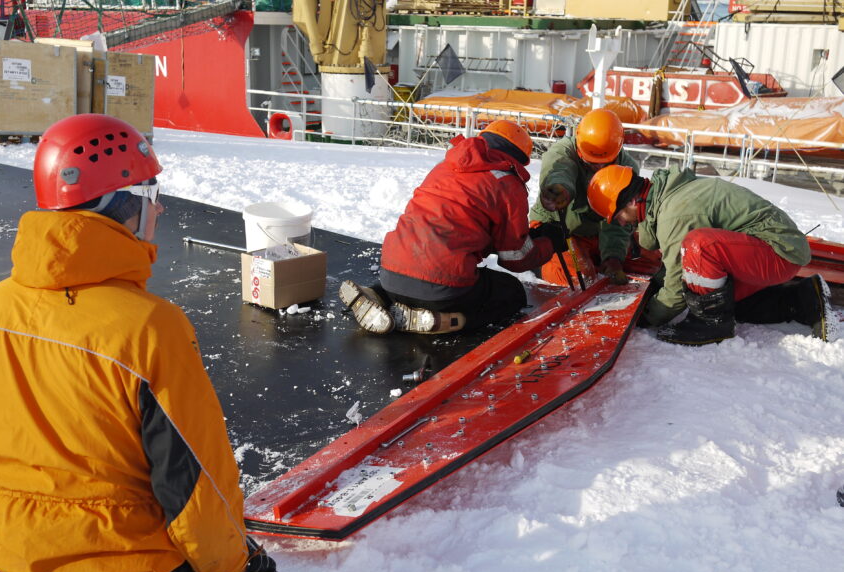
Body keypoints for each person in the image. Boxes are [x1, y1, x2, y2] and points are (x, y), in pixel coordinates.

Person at [0, 114, 305, 572]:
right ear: (121, 206)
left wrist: (30, 516)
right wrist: (238, 563)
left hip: (23, 569)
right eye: (152, 198)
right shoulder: (150, 327)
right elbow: (194, 484)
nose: (158, 213)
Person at [340, 120, 566, 335]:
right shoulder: (507, 183)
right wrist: (548, 242)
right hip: (445, 287)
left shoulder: (445, 166)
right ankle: (440, 322)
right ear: (519, 158)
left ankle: (376, 294)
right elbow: (516, 258)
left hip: (391, 272)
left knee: (416, 275)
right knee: (511, 293)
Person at [587, 163, 832, 345]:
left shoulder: (675, 212)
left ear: (630, 202)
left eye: (617, 217)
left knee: (698, 245)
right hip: (768, 251)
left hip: (777, 252)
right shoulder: (671, 197)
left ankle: (710, 325)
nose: (620, 224)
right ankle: (803, 299)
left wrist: (646, 317)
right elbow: (671, 268)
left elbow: (677, 277)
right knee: (727, 302)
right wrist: (652, 290)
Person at [528, 108, 642, 287]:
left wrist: (613, 257)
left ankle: (597, 258)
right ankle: (539, 260)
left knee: (649, 260)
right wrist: (560, 189)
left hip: (598, 233)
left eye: (605, 163)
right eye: (591, 162)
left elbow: (619, 221)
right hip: (558, 230)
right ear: (579, 149)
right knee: (579, 277)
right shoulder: (562, 152)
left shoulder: (627, 168)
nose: (599, 167)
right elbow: (561, 170)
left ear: (617, 151)